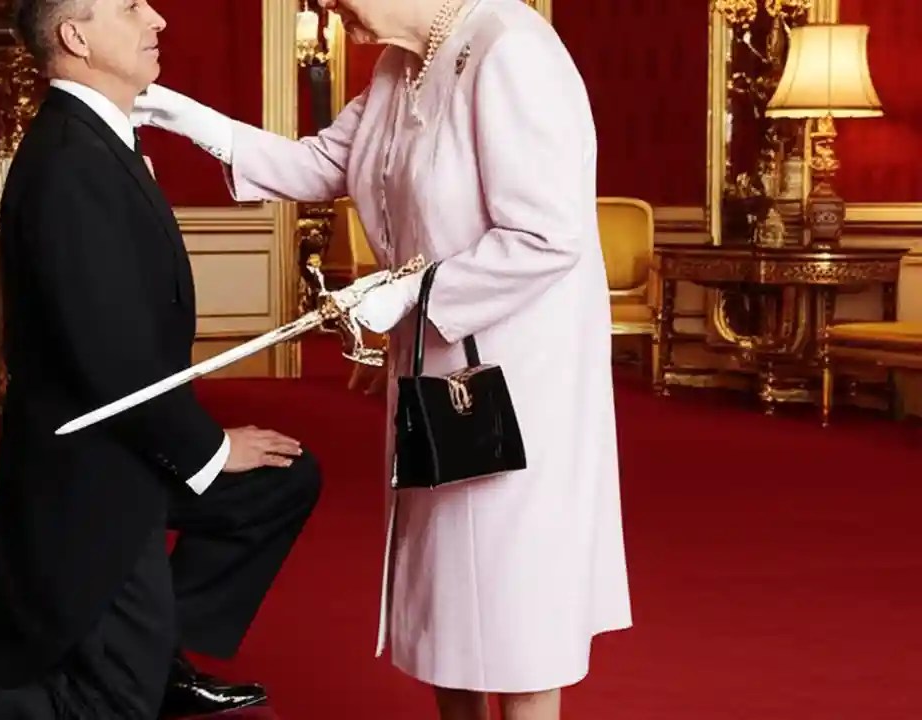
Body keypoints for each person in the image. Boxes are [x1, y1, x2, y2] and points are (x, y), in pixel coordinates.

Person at [0, 0, 323, 718]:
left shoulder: (101, 139)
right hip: (88, 471)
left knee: (282, 481)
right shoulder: (71, 159)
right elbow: (108, 357)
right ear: (76, 36)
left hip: (130, 443)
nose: (157, 18)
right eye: (132, 6)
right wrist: (211, 447)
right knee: (105, 708)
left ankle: (154, 653)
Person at [131, 0, 632, 718]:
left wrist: (406, 297)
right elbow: (318, 165)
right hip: (436, 367)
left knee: (516, 601)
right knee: (447, 596)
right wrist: (186, 118)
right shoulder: (403, 63)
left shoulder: (511, 48)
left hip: (520, 380)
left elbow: (548, 237)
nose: (327, 7)